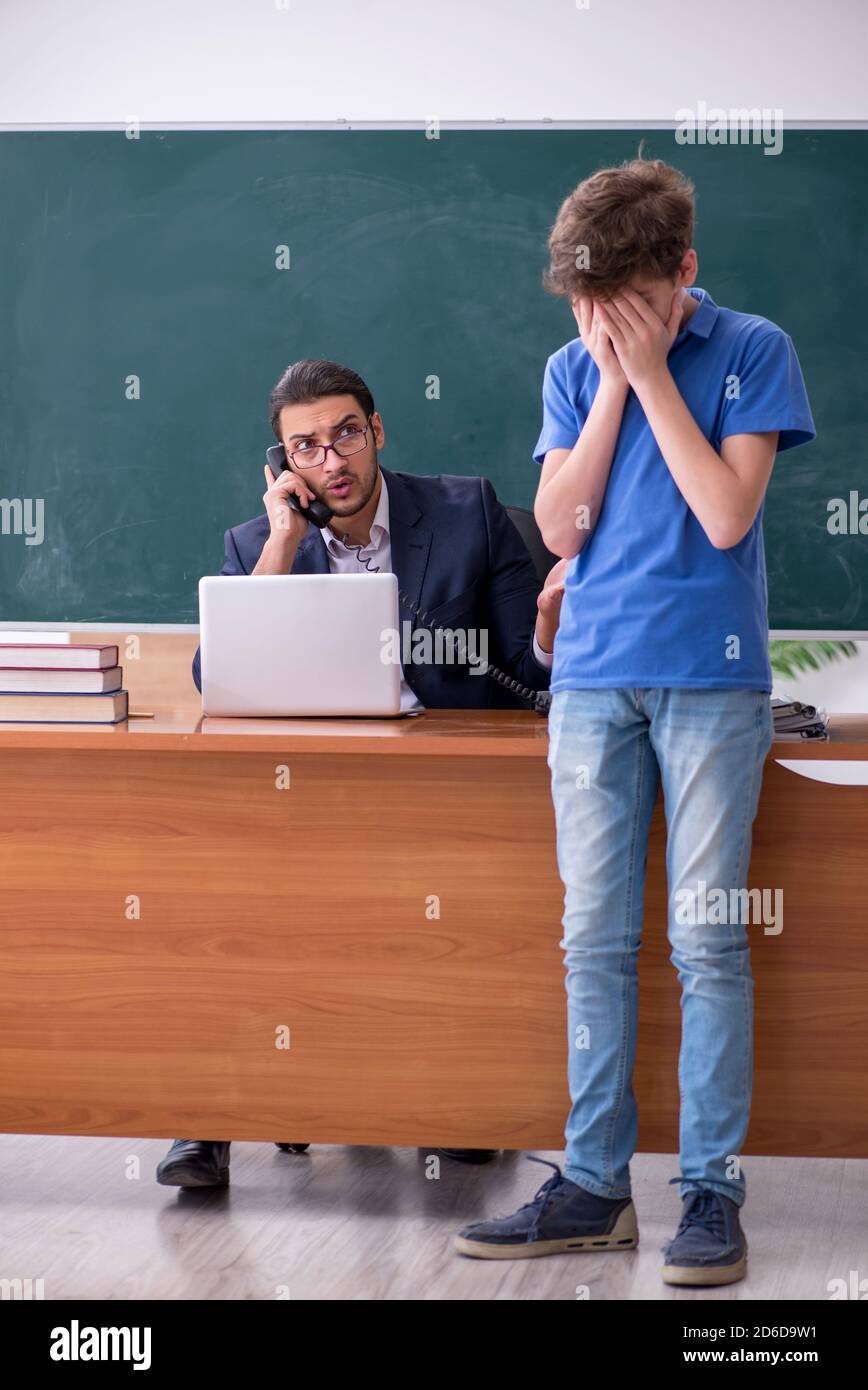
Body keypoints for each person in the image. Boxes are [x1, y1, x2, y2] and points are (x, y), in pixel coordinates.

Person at [454, 157, 815, 1284]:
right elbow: (561, 526)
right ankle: (594, 1185)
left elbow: (721, 516)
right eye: (582, 305)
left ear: (683, 275)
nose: (597, 324)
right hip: (593, 683)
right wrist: (610, 377)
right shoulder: (572, 367)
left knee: (705, 941)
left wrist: (655, 375)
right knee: (592, 944)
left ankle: (708, 1191)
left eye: (621, 303)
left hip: (711, 686)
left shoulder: (753, 350)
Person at [157, 357, 568, 1189]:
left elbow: (534, 670)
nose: (331, 461)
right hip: (311, 790)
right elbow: (218, 679)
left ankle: (448, 1097)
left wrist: (557, 630)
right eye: (303, 448)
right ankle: (208, 1118)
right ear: (282, 467)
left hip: (446, 795)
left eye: (345, 434)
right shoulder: (256, 543)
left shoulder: (468, 514)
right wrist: (283, 540)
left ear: (376, 431)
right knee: (219, 899)